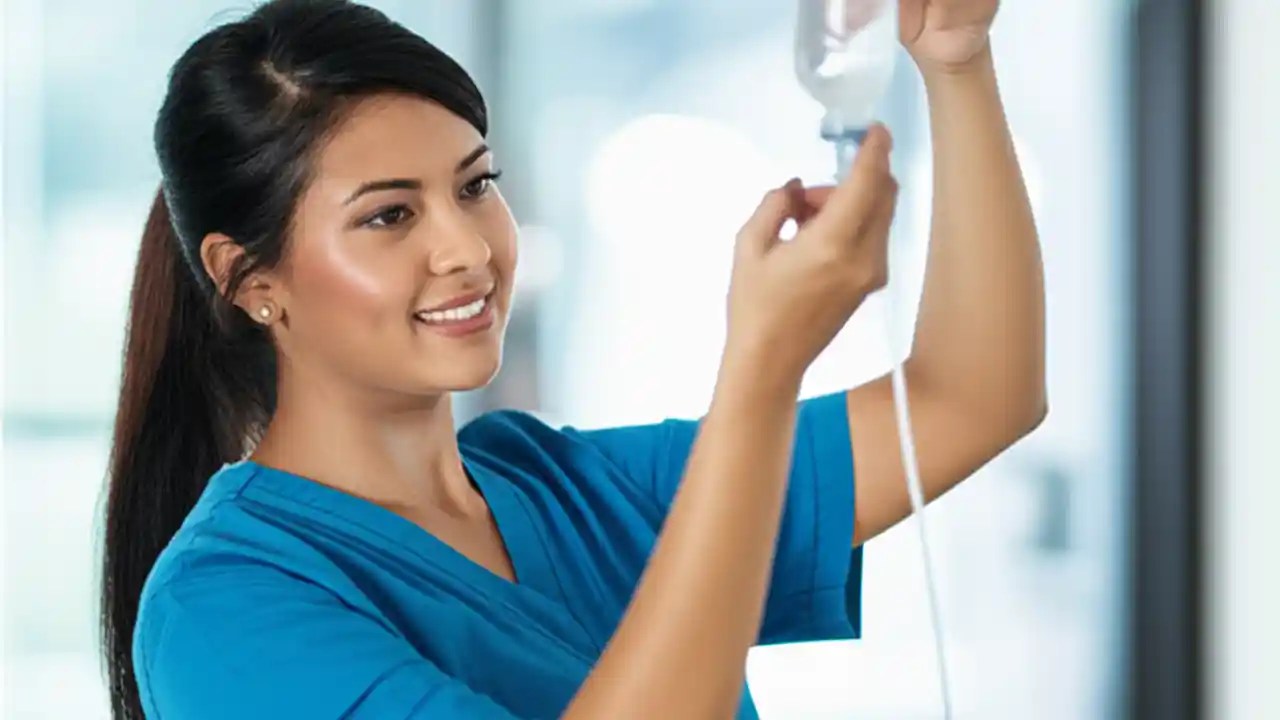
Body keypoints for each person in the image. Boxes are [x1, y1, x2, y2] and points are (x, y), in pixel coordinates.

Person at [100, 0, 1043, 717]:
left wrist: (956, 63)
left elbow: (975, 397)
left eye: (475, 186)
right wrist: (761, 366)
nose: (467, 248)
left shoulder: (567, 487)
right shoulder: (226, 609)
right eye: (390, 215)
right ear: (248, 278)